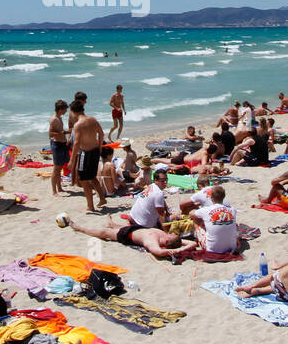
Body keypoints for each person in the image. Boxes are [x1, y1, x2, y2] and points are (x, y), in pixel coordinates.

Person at [58, 211, 195, 259]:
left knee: (105, 233)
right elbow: (192, 243)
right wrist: (181, 247)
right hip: (138, 229)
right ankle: (111, 223)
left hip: (126, 236)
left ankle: (80, 228)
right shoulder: (168, 238)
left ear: (167, 241)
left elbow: (158, 252)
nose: (172, 233)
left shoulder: (153, 242)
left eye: (172, 236)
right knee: (119, 226)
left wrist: (176, 250)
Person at [70, 99, 105, 212]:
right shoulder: (92, 119)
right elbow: (101, 133)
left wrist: (71, 160)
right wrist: (99, 146)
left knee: (84, 180)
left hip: (86, 153)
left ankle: (90, 206)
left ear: (73, 112)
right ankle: (102, 198)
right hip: (95, 150)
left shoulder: (78, 125)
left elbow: (76, 143)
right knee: (92, 176)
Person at [48, 99, 70, 197]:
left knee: (60, 167)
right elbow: (51, 133)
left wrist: (65, 133)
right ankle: (54, 191)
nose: (66, 111)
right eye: (65, 109)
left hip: (62, 143)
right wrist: (63, 133)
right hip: (57, 144)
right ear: (60, 109)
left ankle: (59, 187)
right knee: (56, 169)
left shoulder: (59, 118)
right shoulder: (54, 119)